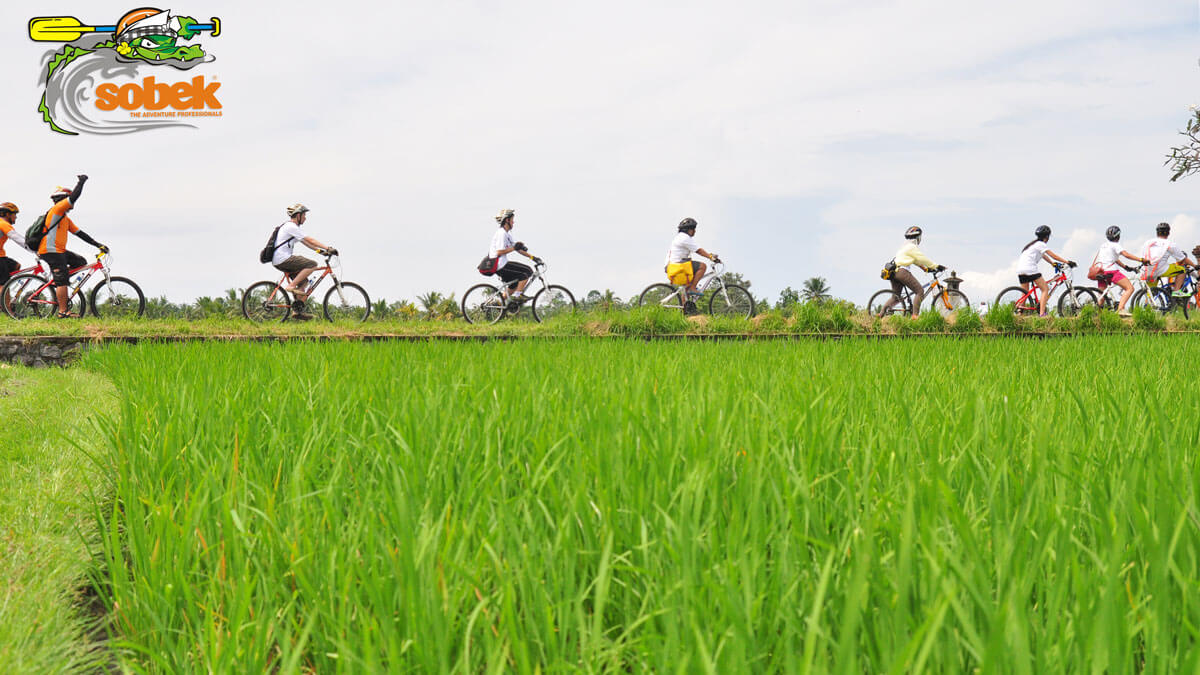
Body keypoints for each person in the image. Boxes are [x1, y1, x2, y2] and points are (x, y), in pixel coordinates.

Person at [38, 175, 107, 318]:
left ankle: (59, 281)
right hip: (51, 251)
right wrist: (81, 182)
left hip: (59, 251)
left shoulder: (64, 218)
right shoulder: (57, 209)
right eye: (68, 199)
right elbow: (74, 197)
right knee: (62, 279)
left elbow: (80, 233)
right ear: (62, 199)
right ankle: (63, 311)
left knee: (80, 262)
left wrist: (98, 245)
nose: (71, 204)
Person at [271, 203, 336, 321]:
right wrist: (328, 247)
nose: (305, 218)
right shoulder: (291, 226)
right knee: (312, 265)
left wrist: (322, 252)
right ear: (298, 215)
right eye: (304, 215)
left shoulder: (293, 229)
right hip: (283, 259)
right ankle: (291, 286)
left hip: (281, 259)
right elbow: (310, 239)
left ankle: (297, 311)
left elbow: (308, 244)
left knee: (304, 282)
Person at [881, 226, 943, 318]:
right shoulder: (911, 247)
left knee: (895, 298)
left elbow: (915, 261)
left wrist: (926, 269)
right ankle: (915, 316)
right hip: (903, 272)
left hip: (894, 273)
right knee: (919, 291)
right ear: (917, 237)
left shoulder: (904, 247)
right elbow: (922, 258)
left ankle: (880, 314)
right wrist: (936, 266)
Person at [1015, 225, 1074, 317]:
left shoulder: (1033, 244)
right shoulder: (1041, 244)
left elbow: (1043, 255)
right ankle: (1042, 314)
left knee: (1025, 293)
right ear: (1047, 236)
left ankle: (1019, 313)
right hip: (1030, 269)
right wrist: (1067, 262)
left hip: (1021, 270)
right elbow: (1053, 255)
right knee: (1045, 289)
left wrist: (1053, 263)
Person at [664, 218, 718, 315]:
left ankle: (685, 312)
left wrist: (710, 255)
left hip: (675, 265)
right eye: (694, 229)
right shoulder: (685, 238)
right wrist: (710, 257)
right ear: (689, 229)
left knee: (686, 288)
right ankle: (693, 288)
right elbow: (699, 250)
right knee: (702, 266)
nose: (695, 231)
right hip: (678, 266)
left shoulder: (680, 237)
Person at [490, 209, 541, 309]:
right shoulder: (502, 234)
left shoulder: (507, 234)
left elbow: (518, 249)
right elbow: (499, 252)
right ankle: (518, 296)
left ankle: (497, 304)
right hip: (500, 265)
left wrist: (533, 257)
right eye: (512, 219)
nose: (514, 222)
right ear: (507, 220)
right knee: (527, 271)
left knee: (514, 285)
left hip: (501, 264)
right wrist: (514, 248)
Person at [1092, 226, 1147, 316]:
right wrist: (1141, 260)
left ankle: (1097, 315)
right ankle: (1120, 309)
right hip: (1111, 272)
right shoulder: (1115, 245)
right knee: (1129, 288)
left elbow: (1114, 259)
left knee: (1101, 296)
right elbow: (1126, 255)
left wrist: (1125, 267)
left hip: (1101, 271)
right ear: (1118, 236)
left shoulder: (1104, 246)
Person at [1139, 222, 1196, 297]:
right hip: (1161, 269)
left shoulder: (1148, 242)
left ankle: (1147, 306)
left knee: (1151, 295)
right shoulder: (1170, 244)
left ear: (1157, 233)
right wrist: (1195, 266)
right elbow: (1183, 259)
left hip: (1147, 271)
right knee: (1183, 270)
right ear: (1168, 233)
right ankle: (1176, 292)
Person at [0, 202, 34, 284]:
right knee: (3, 285)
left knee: (16, 266)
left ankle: (10, 287)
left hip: (2, 256)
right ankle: (4, 293)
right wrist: (35, 250)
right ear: (7, 214)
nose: (16, 217)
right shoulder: (3, 224)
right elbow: (18, 239)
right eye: (14, 214)